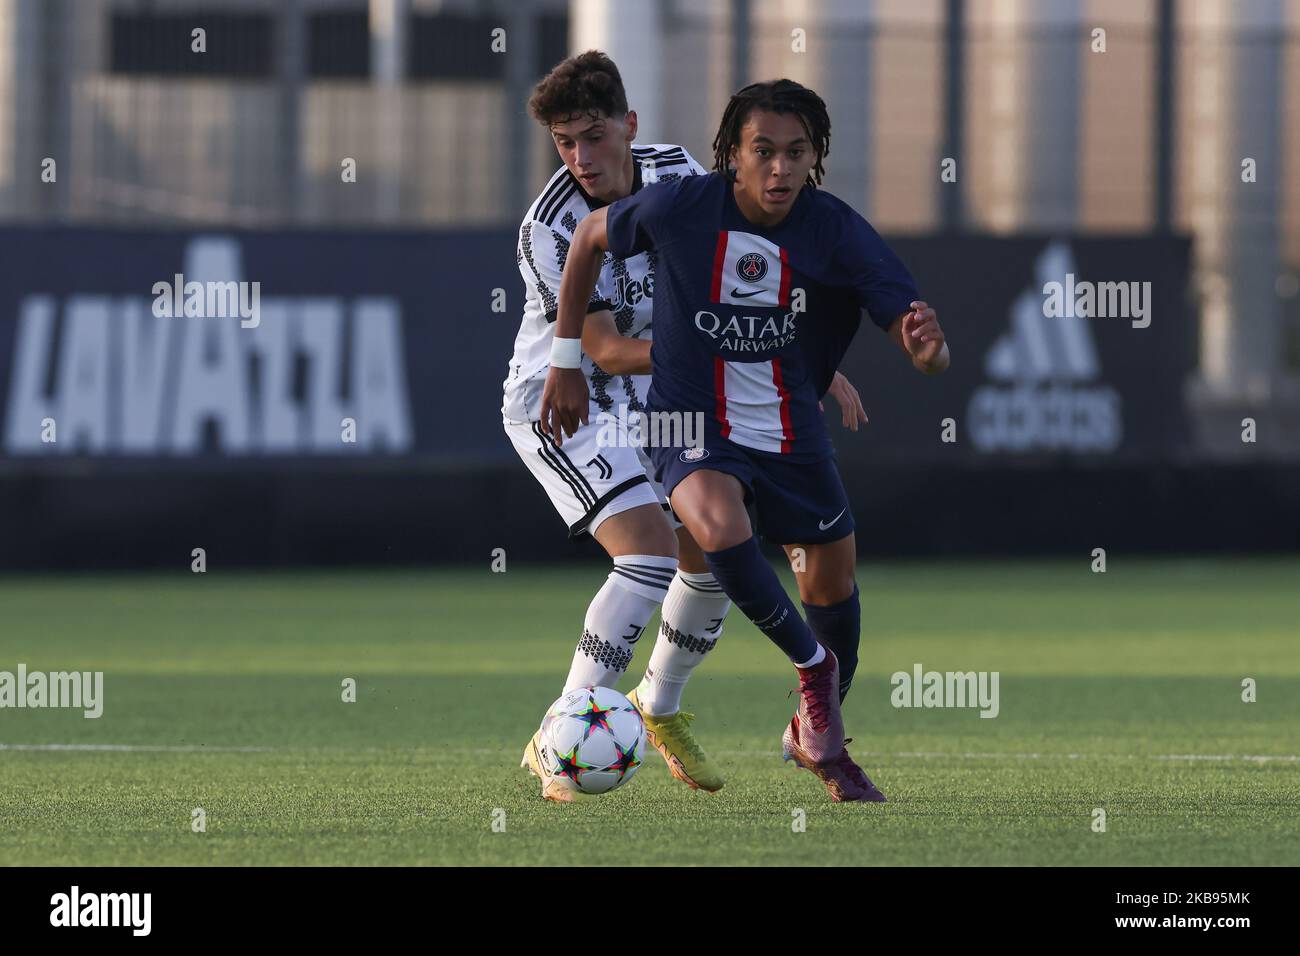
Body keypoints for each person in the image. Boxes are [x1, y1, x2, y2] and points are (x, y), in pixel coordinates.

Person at [541, 79, 949, 802]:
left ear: (815, 156)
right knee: (717, 527)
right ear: (733, 152)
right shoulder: (681, 207)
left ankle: (809, 721)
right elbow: (588, 238)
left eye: (797, 152)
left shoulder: (836, 230)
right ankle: (810, 670)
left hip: (790, 430)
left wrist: (927, 350)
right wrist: (565, 359)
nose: (780, 168)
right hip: (688, 421)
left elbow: (918, 338)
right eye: (764, 151)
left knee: (832, 588)